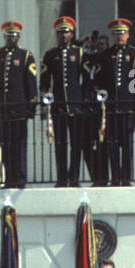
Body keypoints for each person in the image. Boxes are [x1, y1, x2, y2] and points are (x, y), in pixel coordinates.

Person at [0, 20, 39, 189]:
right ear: (4, 36)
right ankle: (9, 179)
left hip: (19, 110)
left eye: (14, 35)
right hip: (2, 110)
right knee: (6, 147)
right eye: (8, 35)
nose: (11, 38)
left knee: (19, 147)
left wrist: (31, 108)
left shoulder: (25, 55)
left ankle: (20, 180)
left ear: (18, 36)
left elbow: (31, 84)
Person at [92, 18, 135, 187]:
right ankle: (115, 178)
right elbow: (98, 79)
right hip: (111, 108)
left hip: (128, 107)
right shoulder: (105, 55)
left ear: (128, 35)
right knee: (112, 145)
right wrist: (100, 93)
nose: (120, 36)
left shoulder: (134, 54)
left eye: (122, 33)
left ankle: (126, 178)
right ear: (113, 36)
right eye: (116, 33)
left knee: (127, 144)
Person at [39, 16, 91, 187]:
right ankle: (62, 179)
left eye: (67, 32)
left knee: (76, 144)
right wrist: (45, 96)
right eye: (61, 32)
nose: (64, 35)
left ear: (72, 34)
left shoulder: (79, 53)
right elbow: (45, 79)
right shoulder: (50, 55)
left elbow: (86, 78)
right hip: (59, 106)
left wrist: (84, 99)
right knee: (60, 144)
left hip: (76, 106)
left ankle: (74, 178)